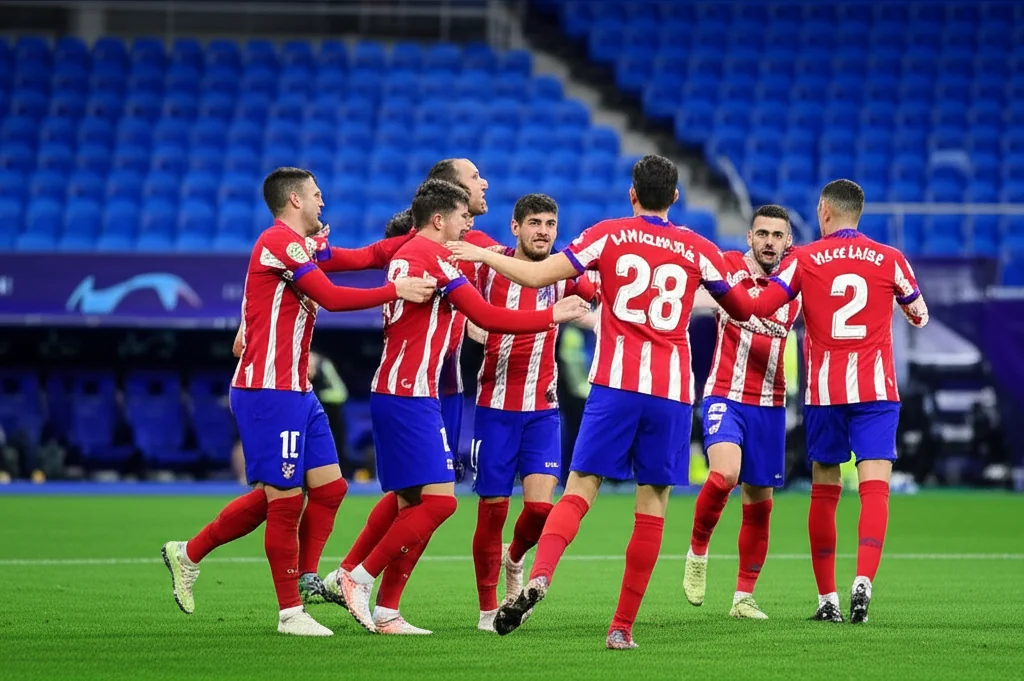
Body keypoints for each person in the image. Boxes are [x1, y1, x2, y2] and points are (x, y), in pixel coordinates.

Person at [446, 154, 756, 648]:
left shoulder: (608, 234)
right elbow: (743, 308)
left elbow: (537, 275)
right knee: (651, 506)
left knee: (580, 488)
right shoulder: (699, 248)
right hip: (670, 392)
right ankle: (620, 628)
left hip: (614, 384)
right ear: (675, 197)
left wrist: (483, 256)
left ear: (632, 194)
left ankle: (540, 575)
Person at [160, 167, 435, 636]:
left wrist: (420, 235)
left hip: (296, 392)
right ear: (293, 199)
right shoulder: (279, 242)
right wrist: (397, 289)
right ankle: (290, 611)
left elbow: (366, 255)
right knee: (284, 502)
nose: (322, 202)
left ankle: (197, 555)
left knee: (329, 489)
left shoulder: (299, 248)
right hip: (268, 390)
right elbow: (328, 295)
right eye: (316, 194)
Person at [330, 179, 590, 635]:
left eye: (551, 224)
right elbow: (487, 316)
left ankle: (384, 605)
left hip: (488, 400)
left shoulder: (416, 253)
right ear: (440, 219)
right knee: (441, 504)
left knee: (416, 500)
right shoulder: (446, 256)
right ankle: (358, 576)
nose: (469, 223)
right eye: (463, 215)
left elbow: (362, 259)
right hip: (437, 396)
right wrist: (552, 316)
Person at [750, 179, 929, 623]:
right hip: (876, 391)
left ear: (824, 210)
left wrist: (721, 296)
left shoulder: (804, 258)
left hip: (826, 392)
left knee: (825, 491)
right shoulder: (891, 259)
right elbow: (920, 315)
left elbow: (765, 303)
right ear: (859, 212)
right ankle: (864, 580)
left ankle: (827, 599)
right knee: (874, 489)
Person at [465, 194, 598, 632]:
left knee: (541, 512)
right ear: (515, 227)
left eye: (550, 223)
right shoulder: (490, 264)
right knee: (493, 510)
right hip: (494, 407)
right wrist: (468, 325)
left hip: (543, 409)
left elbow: (604, 295)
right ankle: (488, 609)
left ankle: (514, 558)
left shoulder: (564, 272)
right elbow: (459, 300)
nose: (543, 230)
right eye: (535, 223)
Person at [682, 205, 801, 619]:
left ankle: (743, 597)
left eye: (777, 235)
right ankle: (698, 551)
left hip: (769, 404)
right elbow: (692, 288)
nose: (770, 241)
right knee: (725, 475)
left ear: (789, 242)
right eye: (762, 233)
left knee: (760, 502)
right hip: (724, 394)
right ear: (749, 237)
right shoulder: (729, 267)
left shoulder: (796, 284)